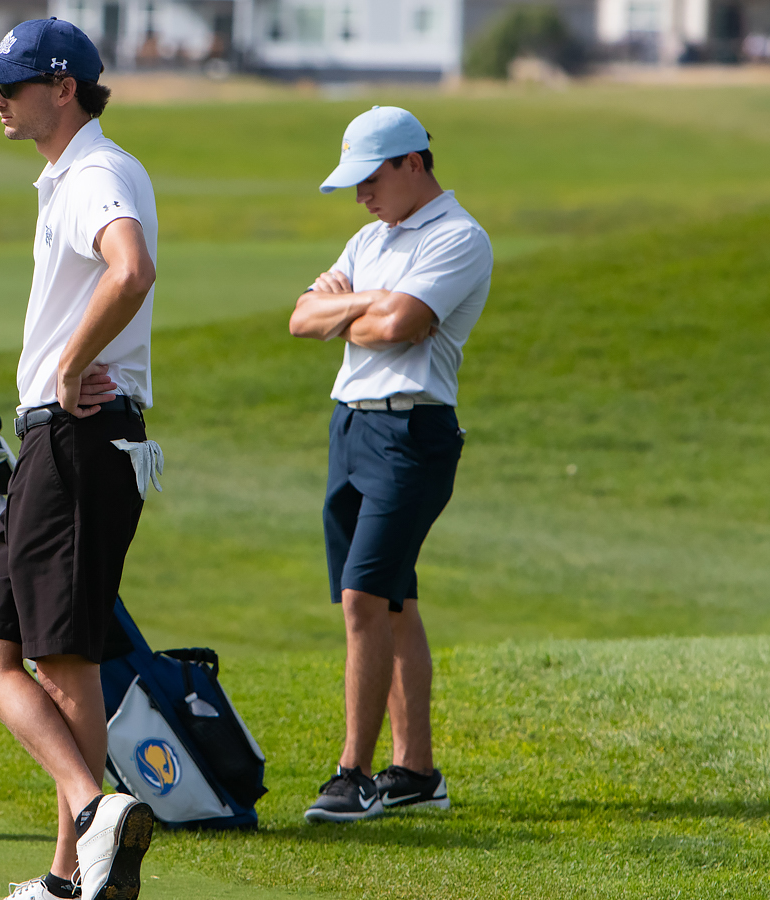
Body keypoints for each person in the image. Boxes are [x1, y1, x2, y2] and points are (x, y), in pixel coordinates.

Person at [0, 17, 159, 900]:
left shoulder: (95, 175)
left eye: (12, 83)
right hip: (59, 442)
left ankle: (78, 858)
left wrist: (70, 365)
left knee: (63, 660)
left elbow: (132, 269)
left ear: (64, 86)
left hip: (78, 440)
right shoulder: (76, 174)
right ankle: (86, 837)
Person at [287, 106, 493, 823]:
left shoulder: (460, 238)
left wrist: (351, 307)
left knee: (364, 601)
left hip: (413, 435)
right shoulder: (369, 237)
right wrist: (363, 307)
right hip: (351, 430)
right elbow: (300, 317)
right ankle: (417, 772)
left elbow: (402, 326)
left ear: (413, 163)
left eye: (371, 178)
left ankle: (354, 774)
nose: (360, 196)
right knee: (392, 600)